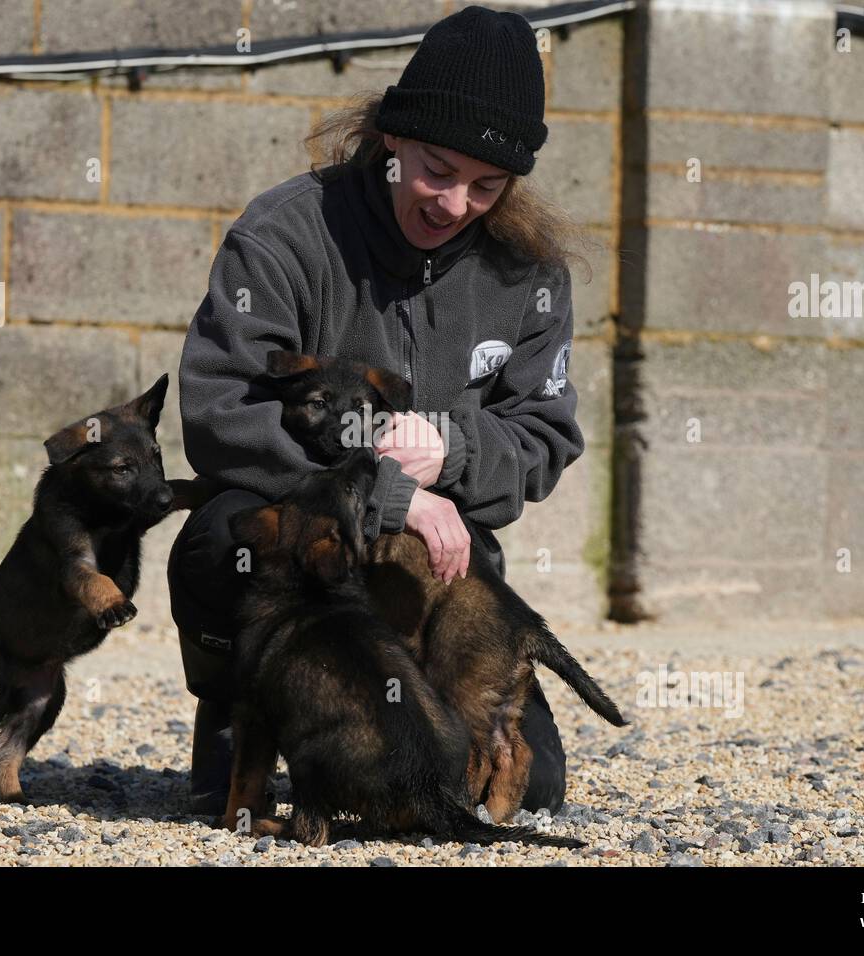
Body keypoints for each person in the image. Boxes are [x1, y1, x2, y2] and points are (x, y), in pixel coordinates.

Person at [167, 5, 597, 817]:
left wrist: (455, 448)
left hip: (435, 572)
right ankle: (240, 709)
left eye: (487, 184)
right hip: (301, 545)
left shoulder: (529, 273)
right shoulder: (284, 235)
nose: (455, 203)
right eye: (437, 169)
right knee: (221, 538)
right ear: (392, 138)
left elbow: (545, 433)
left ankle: (402, 727)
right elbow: (219, 409)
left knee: (530, 790)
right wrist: (387, 491)